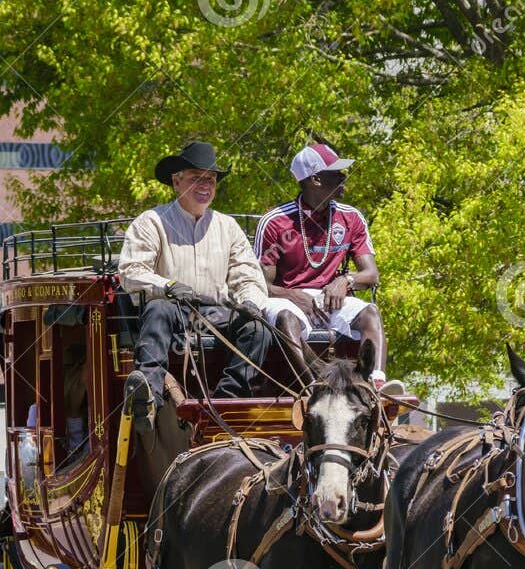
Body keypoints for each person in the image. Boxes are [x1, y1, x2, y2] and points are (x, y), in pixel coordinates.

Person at [117, 141, 271, 431]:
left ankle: (227, 401)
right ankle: (147, 397)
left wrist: (250, 302)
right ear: (177, 182)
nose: (205, 185)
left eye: (210, 179)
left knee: (258, 328)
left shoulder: (228, 227)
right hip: (172, 311)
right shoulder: (152, 222)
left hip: (216, 314)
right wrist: (168, 286)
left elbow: (247, 275)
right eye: (196, 178)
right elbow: (131, 271)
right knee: (158, 309)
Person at [255, 139, 394, 390]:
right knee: (286, 317)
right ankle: (313, 389)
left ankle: (376, 385)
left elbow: (371, 274)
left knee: (370, 312)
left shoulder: (350, 217)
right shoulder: (276, 222)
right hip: (287, 300)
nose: (343, 178)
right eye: (336, 173)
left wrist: (345, 280)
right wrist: (293, 296)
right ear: (316, 179)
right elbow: (258, 285)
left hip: (332, 299)